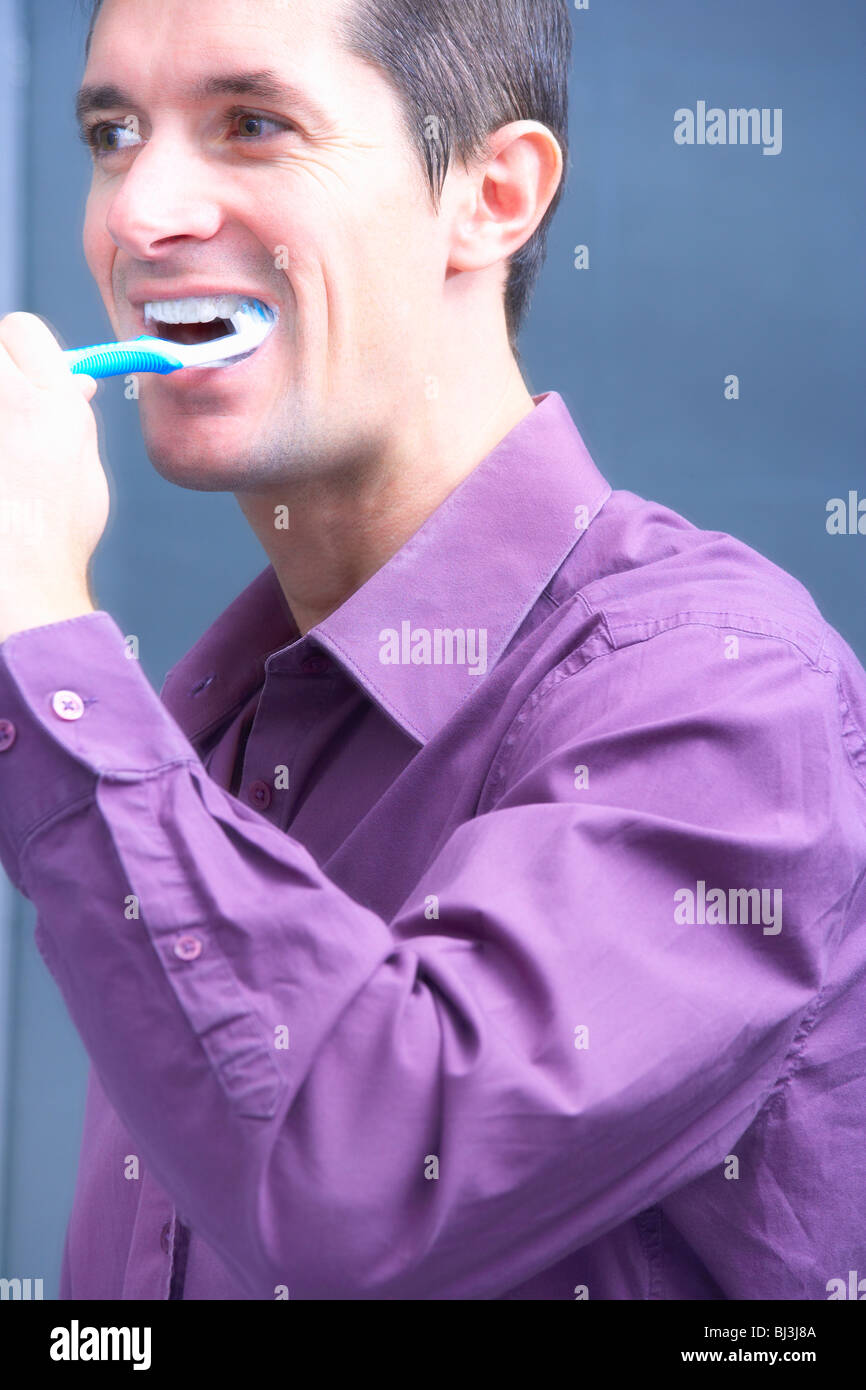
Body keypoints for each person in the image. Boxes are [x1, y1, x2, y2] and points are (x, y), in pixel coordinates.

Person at [0, 0, 863, 1301]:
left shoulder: (730, 697)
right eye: (114, 134)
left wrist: (30, 618)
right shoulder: (183, 748)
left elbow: (349, 1183)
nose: (137, 215)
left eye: (251, 124)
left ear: (490, 195)